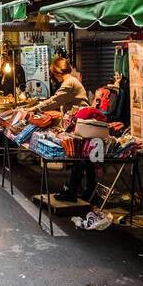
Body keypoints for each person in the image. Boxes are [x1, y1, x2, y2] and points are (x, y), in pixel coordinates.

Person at [35, 57, 92, 199]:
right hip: (80, 124)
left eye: (53, 74)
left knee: (80, 158)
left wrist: (34, 108)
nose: (54, 77)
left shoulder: (69, 83)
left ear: (57, 72)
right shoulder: (71, 81)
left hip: (81, 124)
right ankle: (88, 190)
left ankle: (72, 192)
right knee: (84, 158)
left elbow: (54, 101)